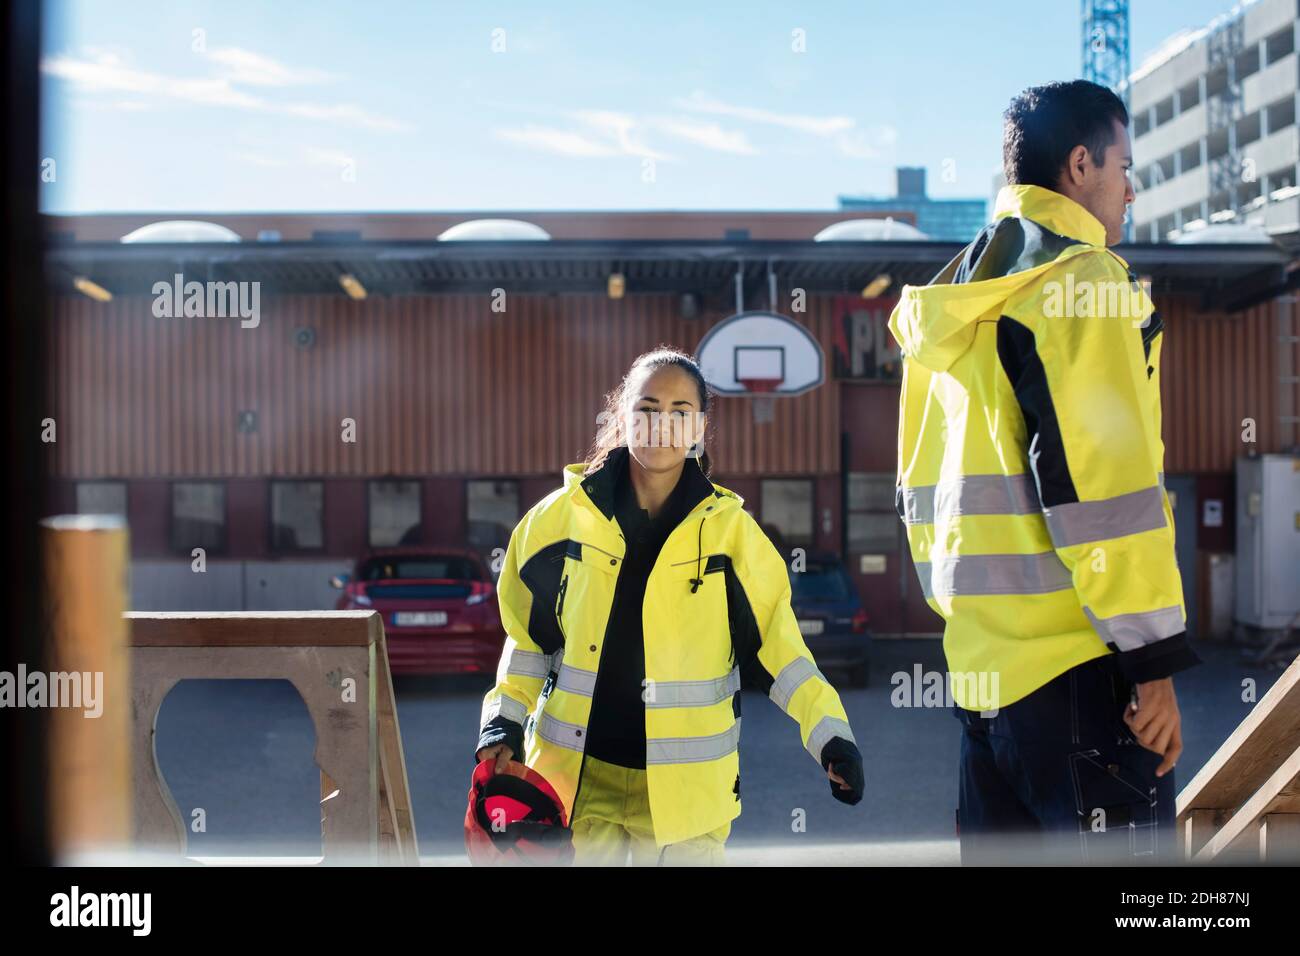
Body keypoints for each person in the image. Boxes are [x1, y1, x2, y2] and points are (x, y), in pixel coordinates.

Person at [886, 80, 1200, 864]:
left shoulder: (956, 294)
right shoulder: (1087, 282)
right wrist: (1153, 662)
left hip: (984, 683)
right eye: (1125, 165)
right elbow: (1105, 490)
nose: (1132, 186)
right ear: (1081, 164)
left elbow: (923, 498)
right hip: (1084, 681)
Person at [474, 347, 863, 866]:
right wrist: (502, 722)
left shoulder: (733, 538)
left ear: (699, 427)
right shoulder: (555, 523)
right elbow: (527, 643)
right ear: (622, 416)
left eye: (681, 411)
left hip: (688, 800)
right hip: (576, 786)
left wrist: (832, 737)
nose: (663, 424)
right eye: (648, 407)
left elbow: (781, 653)